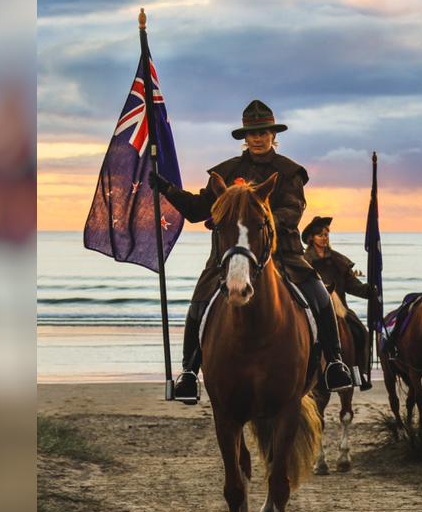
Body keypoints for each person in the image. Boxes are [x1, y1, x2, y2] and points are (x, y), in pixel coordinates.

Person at [150, 99, 353, 403]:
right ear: (244, 137)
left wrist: (257, 220)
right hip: (230, 254)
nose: (258, 138)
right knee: (200, 299)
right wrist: (166, 189)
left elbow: (292, 211)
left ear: (273, 134)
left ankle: (335, 362)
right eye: (252, 133)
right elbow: (196, 210)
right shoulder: (227, 171)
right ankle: (189, 371)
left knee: (319, 293)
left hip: (282, 252)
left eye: (263, 132)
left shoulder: (290, 172)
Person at [301, 216, 374, 390]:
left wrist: (370, 291)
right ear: (311, 238)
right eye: (320, 235)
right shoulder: (304, 262)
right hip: (314, 310)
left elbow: (352, 285)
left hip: (340, 310)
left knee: (361, 333)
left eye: (326, 234)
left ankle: (359, 374)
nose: (324, 238)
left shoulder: (338, 261)